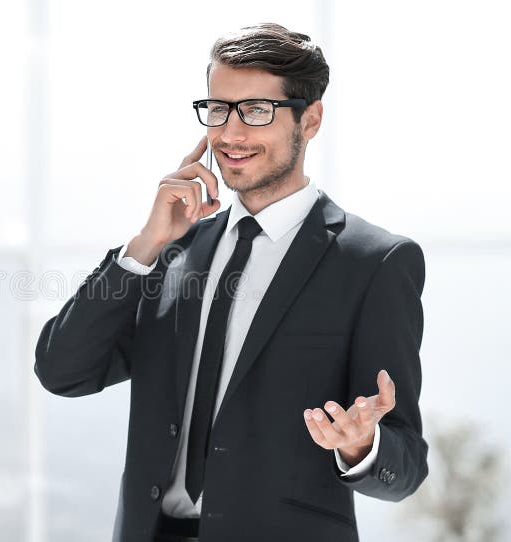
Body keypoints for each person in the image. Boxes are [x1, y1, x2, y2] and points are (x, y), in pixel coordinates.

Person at [35, 23, 427, 542]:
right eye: (219, 109)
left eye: (256, 111)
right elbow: (63, 371)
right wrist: (144, 246)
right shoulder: (173, 251)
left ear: (309, 120)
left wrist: (360, 444)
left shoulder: (373, 262)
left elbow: (407, 463)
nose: (231, 134)